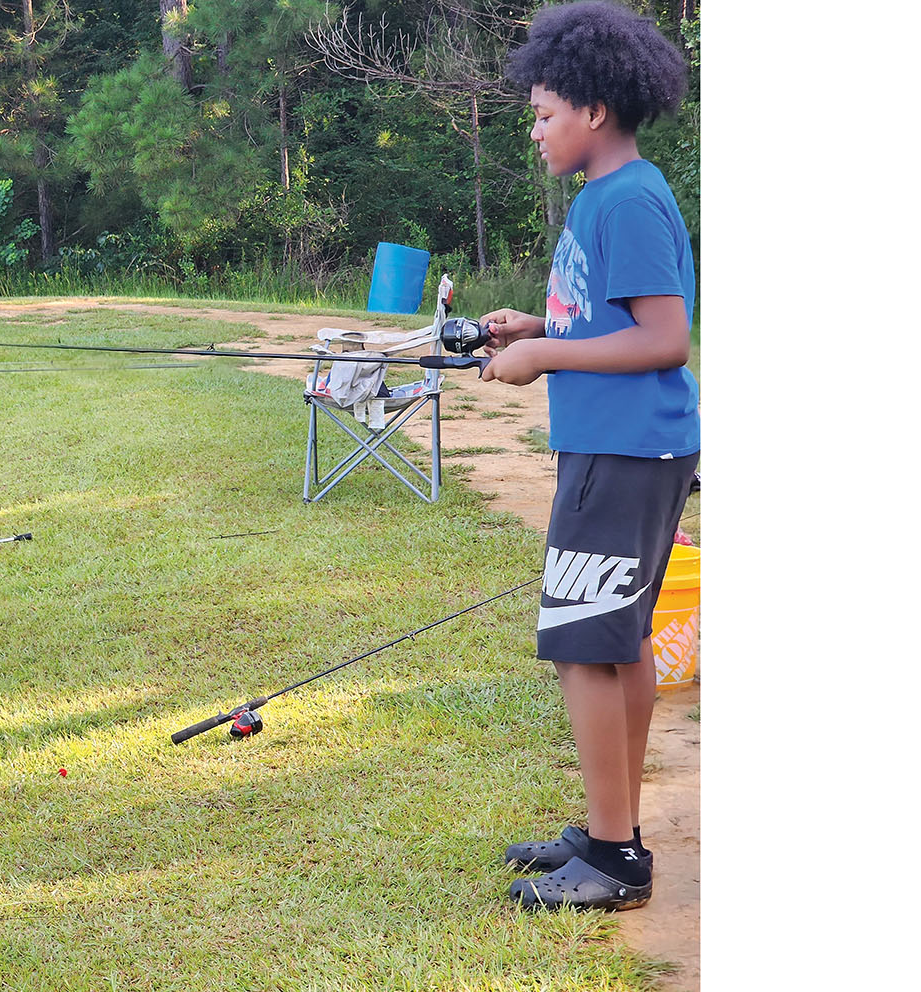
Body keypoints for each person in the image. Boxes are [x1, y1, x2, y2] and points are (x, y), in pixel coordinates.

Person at [477, 2, 698, 911]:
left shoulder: (631, 197)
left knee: (584, 643)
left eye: (542, 113)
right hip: (615, 449)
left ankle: (614, 860)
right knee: (616, 640)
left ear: (594, 112)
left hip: (625, 450)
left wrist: (546, 355)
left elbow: (665, 339)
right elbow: (612, 318)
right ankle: (615, 827)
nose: (535, 131)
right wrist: (541, 323)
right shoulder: (603, 198)